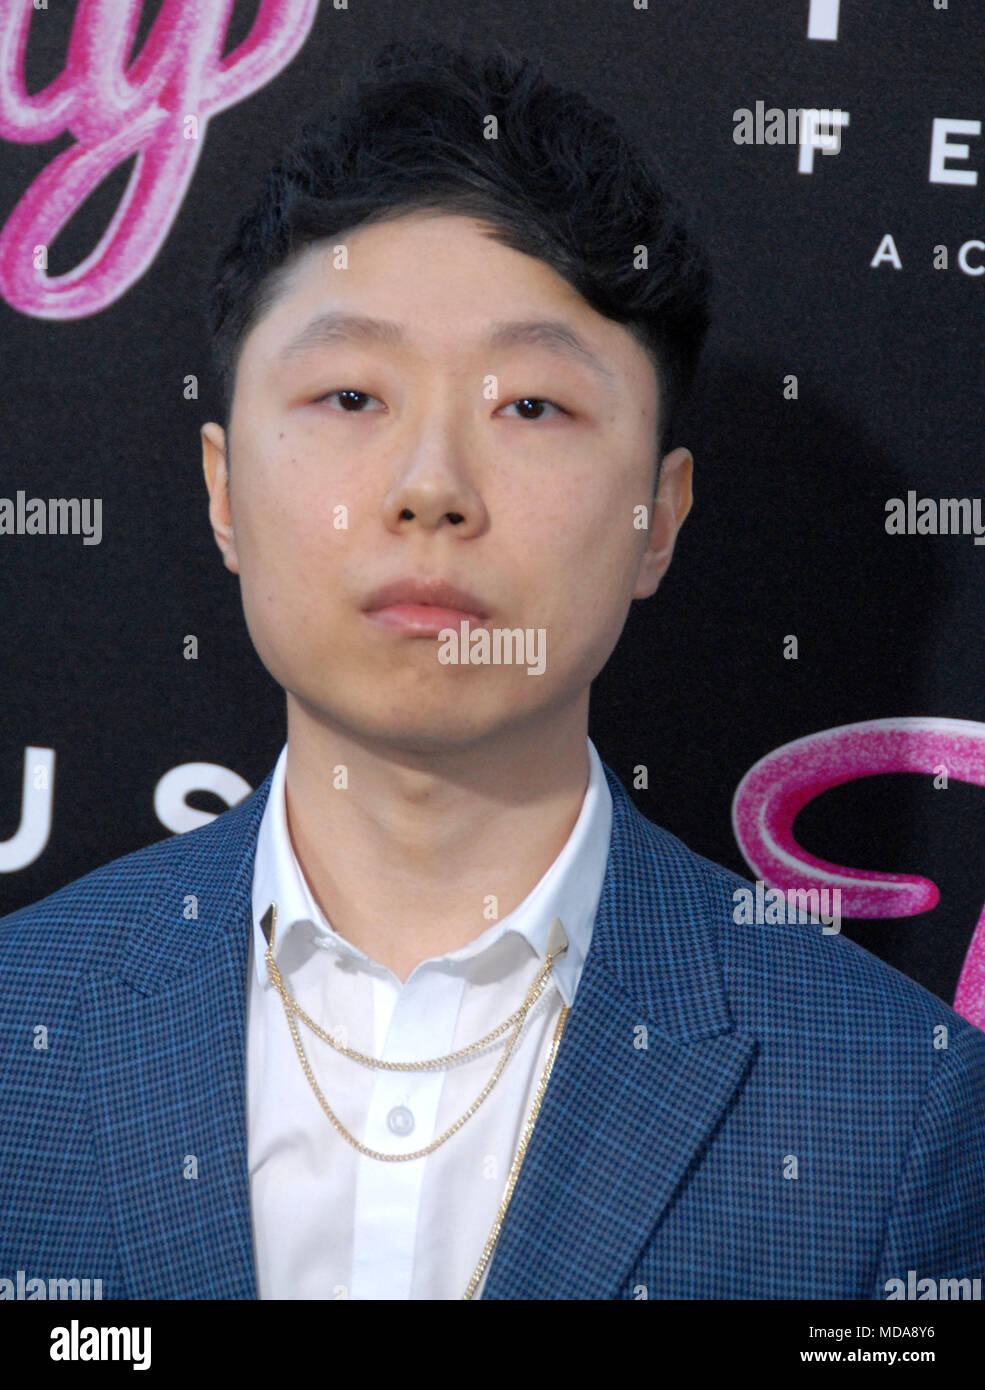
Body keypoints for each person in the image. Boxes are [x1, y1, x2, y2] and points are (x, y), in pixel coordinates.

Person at [1, 38, 983, 1303]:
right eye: (351, 396)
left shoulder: (896, 1106)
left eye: (530, 407)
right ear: (223, 490)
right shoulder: (22, 1029)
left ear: (659, 518)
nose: (430, 490)